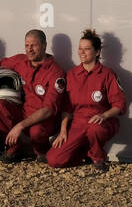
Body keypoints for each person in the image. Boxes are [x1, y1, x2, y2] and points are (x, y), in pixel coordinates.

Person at [47, 29, 125, 172]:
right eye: (80, 49)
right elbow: (67, 108)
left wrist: (104, 115)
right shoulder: (71, 75)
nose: (82, 52)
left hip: (102, 122)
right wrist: (63, 130)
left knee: (94, 128)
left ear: (97, 52)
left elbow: (119, 105)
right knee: (54, 160)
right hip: (78, 124)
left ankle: (98, 157)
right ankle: (83, 151)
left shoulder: (107, 74)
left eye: (87, 49)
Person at [0, 29, 67, 163]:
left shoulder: (56, 73)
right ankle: (14, 147)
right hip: (22, 113)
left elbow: (49, 110)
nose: (30, 49)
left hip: (43, 120)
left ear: (44, 45)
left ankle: (40, 150)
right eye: (27, 45)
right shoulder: (20, 61)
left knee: (36, 131)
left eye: (34, 45)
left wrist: (20, 126)